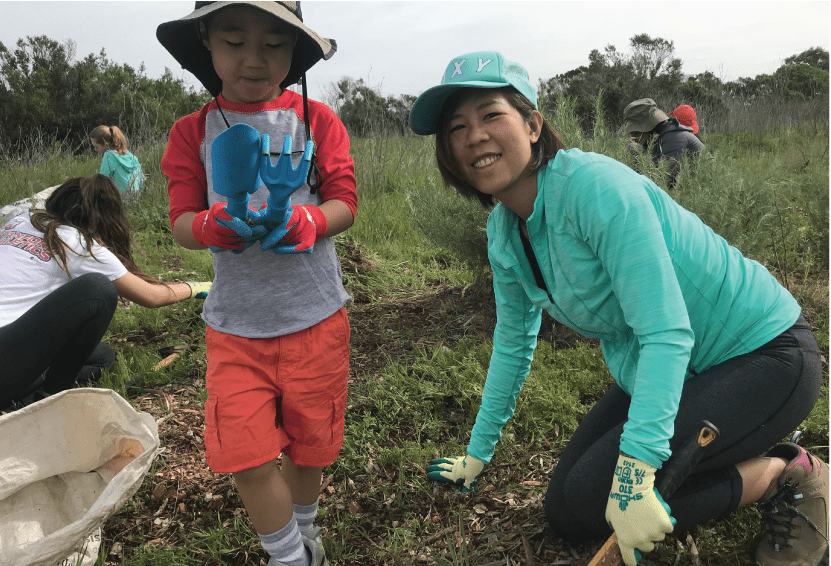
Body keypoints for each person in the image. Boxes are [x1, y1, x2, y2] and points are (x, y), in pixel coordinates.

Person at [409, 51, 827, 566]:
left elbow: (666, 332)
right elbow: (513, 345)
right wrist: (478, 452)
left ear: (533, 125)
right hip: (679, 372)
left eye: (491, 115)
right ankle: (728, 447)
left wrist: (636, 470)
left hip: (764, 356)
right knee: (567, 509)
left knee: (598, 497)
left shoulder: (595, 188)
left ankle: (785, 474)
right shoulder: (504, 234)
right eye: (457, 127)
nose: (474, 136)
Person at [156, 3, 356, 566]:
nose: (253, 59)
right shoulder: (190, 132)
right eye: (234, 40)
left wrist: (310, 220)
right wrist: (207, 226)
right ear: (206, 40)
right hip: (236, 329)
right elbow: (181, 221)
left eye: (273, 44)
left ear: (294, 50)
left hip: (316, 319)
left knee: (310, 448)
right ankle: (290, 558)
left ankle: (306, 536)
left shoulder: (317, 121)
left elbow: (344, 201)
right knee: (244, 455)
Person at [0, 174, 211, 412]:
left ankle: (18, 397)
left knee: (101, 357)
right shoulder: (79, 244)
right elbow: (153, 296)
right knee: (98, 290)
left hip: (10, 343)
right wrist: (196, 287)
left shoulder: (19, 223)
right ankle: (50, 399)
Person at [622, 98, 705, 189]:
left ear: (648, 128)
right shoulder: (661, 136)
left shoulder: (673, 138)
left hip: (703, 188)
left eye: (634, 133)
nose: (632, 137)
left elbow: (666, 182)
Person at [89, 125, 145, 196]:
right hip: (135, 197)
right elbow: (141, 180)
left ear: (106, 144)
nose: (95, 150)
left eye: (96, 147)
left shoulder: (108, 155)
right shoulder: (130, 156)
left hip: (118, 198)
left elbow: (102, 181)